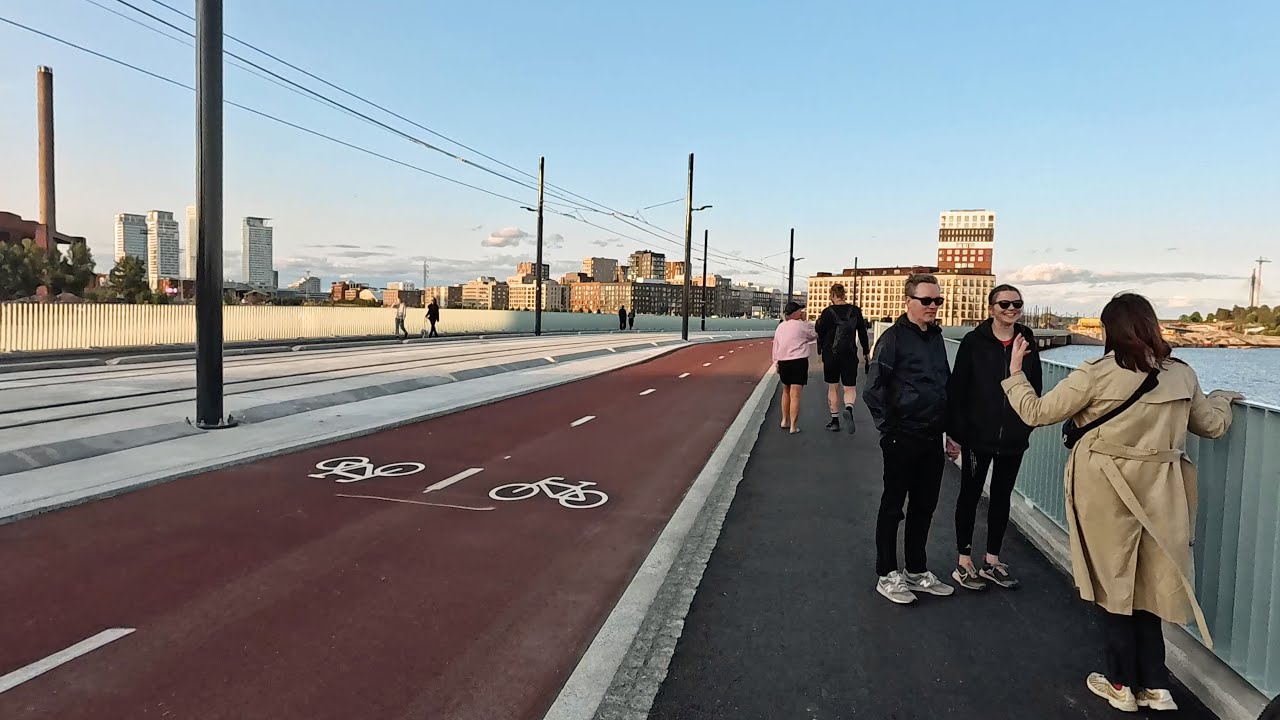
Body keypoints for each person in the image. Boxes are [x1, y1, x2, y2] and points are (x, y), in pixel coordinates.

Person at [1000, 293, 1242, 713]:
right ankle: (1155, 684)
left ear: (1112, 331)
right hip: (1163, 490)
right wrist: (1223, 396)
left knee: (1114, 583)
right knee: (1150, 582)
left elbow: (1037, 412)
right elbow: (1213, 425)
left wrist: (1016, 372)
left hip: (1106, 489)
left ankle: (1120, 684)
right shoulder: (1181, 375)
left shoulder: (1097, 373)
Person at [864, 273, 959, 604]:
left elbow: (944, 385)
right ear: (909, 302)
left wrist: (951, 433)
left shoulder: (935, 338)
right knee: (893, 506)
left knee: (924, 506)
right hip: (901, 436)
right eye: (927, 301)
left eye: (938, 301)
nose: (934, 306)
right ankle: (887, 574)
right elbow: (873, 388)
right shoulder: (892, 339)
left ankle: (916, 572)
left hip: (932, 437)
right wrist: (888, 430)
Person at [946, 284, 1043, 591]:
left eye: (1017, 303)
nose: (1011, 309)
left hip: (1013, 438)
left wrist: (1026, 424)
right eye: (1004, 304)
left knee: (1002, 497)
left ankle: (992, 560)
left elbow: (1034, 385)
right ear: (991, 309)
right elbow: (957, 390)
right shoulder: (974, 342)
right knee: (970, 495)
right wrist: (956, 434)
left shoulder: (1026, 341)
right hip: (978, 436)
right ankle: (963, 561)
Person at [814, 283, 870, 433]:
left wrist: (820, 352)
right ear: (844, 294)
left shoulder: (827, 312)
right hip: (850, 354)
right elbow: (863, 333)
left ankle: (834, 420)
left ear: (832, 295)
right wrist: (866, 352)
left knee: (833, 387)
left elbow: (820, 333)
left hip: (831, 355)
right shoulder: (855, 311)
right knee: (849, 387)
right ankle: (849, 408)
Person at [772, 301, 816, 434]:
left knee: (785, 391)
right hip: (798, 361)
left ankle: (784, 420)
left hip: (783, 361)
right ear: (796, 313)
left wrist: (776, 362)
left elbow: (776, 346)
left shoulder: (780, 327)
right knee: (795, 395)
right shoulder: (801, 326)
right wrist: (805, 321)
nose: (802, 312)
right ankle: (793, 426)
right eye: (800, 311)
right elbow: (814, 335)